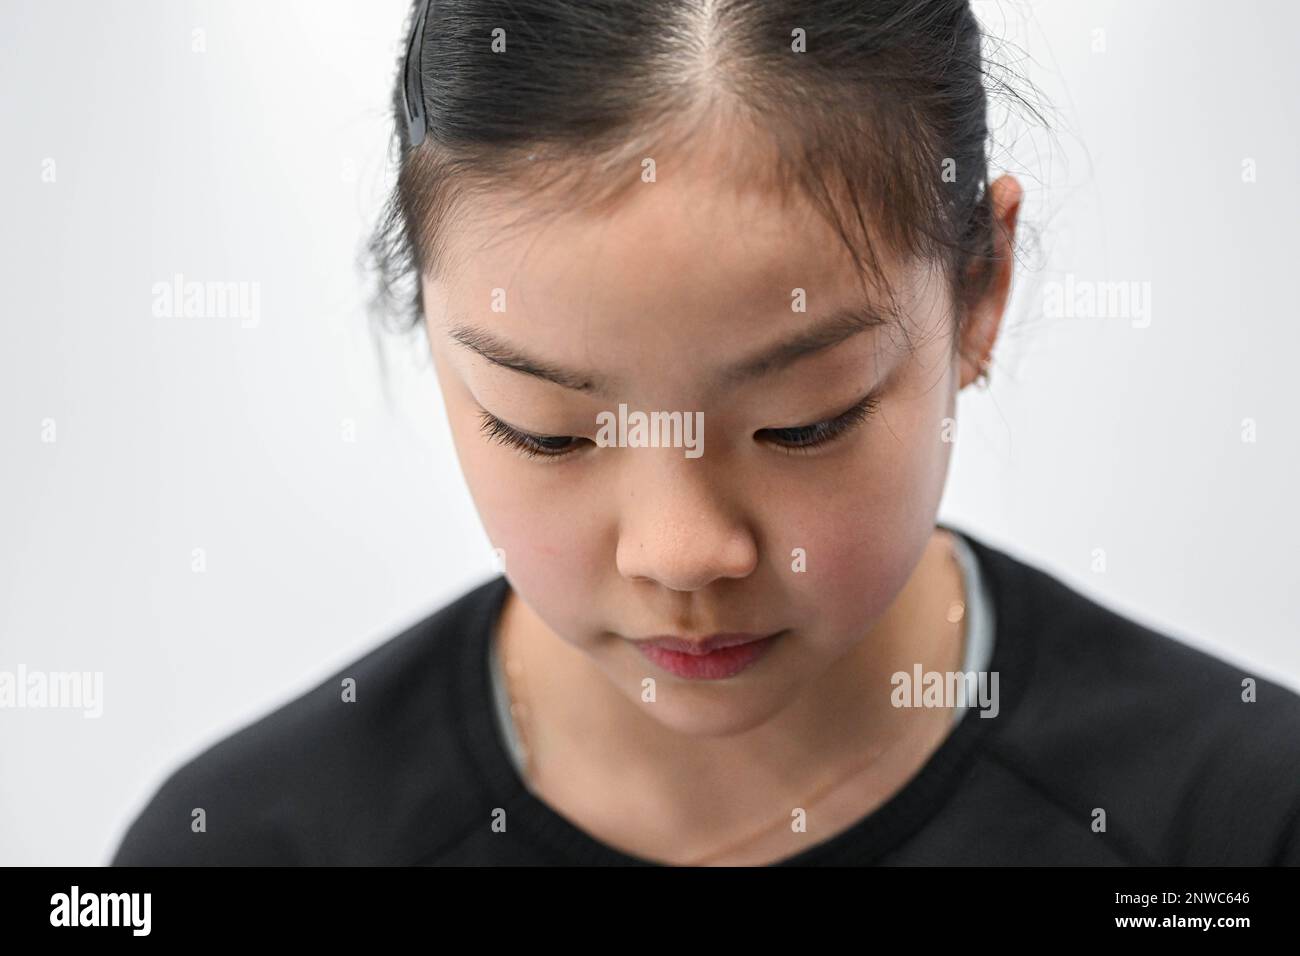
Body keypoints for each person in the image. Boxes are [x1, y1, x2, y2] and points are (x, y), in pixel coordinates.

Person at [111, 0, 1300, 866]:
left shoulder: (1237, 823)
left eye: (800, 423)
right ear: (433, 329)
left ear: (978, 295)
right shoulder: (246, 847)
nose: (682, 554)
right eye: (546, 430)